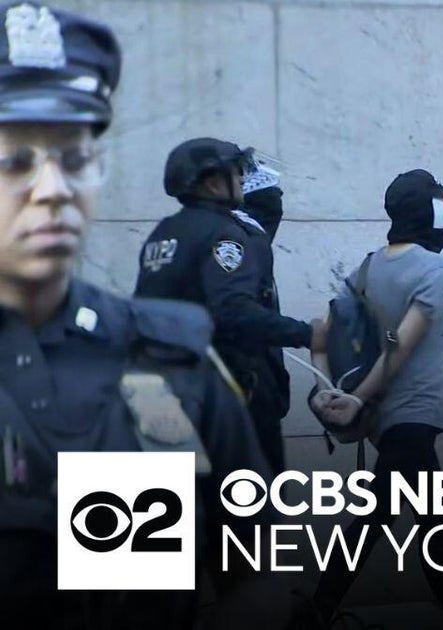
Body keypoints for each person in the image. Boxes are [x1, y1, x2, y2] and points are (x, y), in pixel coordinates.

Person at [0, 3, 284, 628]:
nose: (53, 188)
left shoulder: (157, 364)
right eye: (16, 159)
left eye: (74, 156)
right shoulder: (219, 237)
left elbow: (244, 573)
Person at [305, 169, 443, 629]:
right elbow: (402, 342)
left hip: (386, 420)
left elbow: (322, 329)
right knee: (386, 519)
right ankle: (318, 609)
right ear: (431, 213)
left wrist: (326, 388)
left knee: (425, 523)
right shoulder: (436, 268)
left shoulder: (371, 263)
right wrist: (353, 398)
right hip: (411, 415)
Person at [134, 136, 323, 474]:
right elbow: (233, 312)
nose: (241, 181)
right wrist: (308, 334)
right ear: (212, 182)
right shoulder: (225, 233)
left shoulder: (163, 234)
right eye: (236, 173)